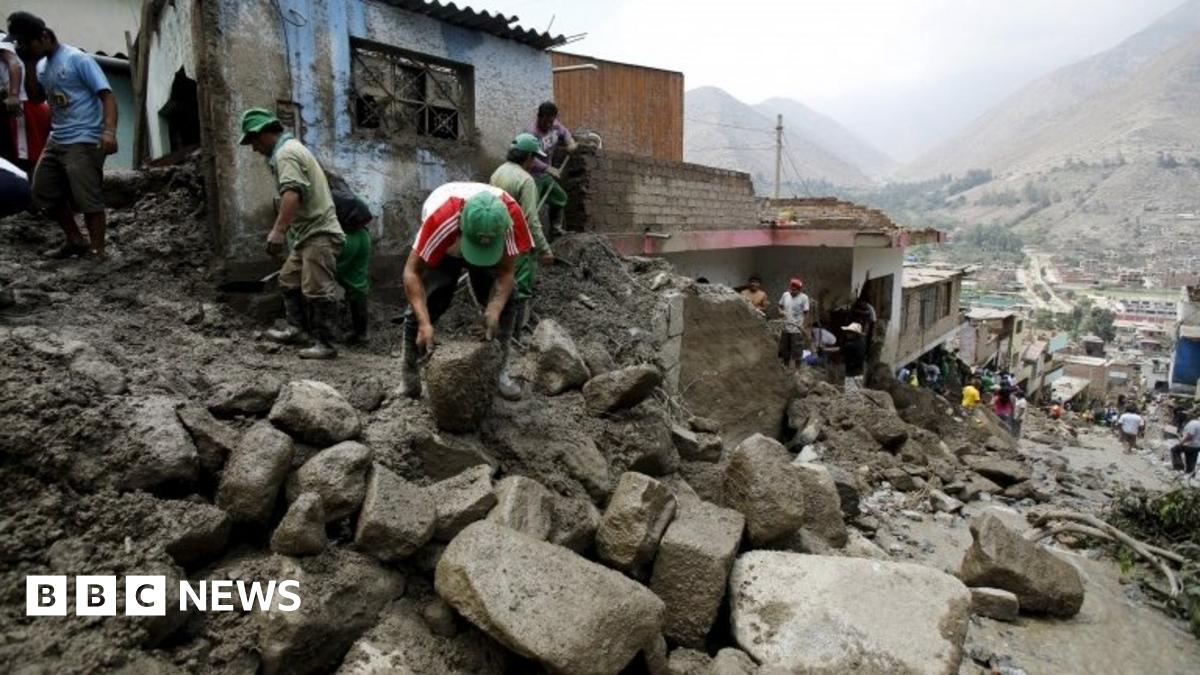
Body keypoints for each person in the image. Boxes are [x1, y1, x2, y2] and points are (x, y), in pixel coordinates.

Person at [400, 182, 533, 401]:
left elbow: (507, 272)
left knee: (509, 301)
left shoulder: (510, 219)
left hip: (482, 241)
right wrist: (425, 323)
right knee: (429, 301)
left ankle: (499, 372)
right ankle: (409, 379)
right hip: (448, 247)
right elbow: (411, 273)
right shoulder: (442, 219)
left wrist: (494, 309)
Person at [7, 12, 118, 259]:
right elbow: (36, 98)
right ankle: (75, 240)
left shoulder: (78, 59)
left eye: (27, 42)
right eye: (20, 45)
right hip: (57, 138)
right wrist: (28, 64)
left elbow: (107, 96)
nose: (24, 48)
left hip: (85, 138)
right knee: (42, 191)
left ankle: (98, 252)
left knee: (87, 197)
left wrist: (109, 132)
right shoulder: (43, 65)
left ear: (44, 36)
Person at [240, 108, 345, 360]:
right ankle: (297, 330)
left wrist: (278, 230)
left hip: (319, 232)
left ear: (264, 133)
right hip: (307, 234)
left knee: (317, 289)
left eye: (253, 141)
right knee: (288, 278)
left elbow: (292, 193)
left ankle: (326, 344)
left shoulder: (286, 154)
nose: (254, 148)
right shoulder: (289, 150)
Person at [490, 132, 554, 337]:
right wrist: (544, 249)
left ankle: (496, 327)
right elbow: (531, 220)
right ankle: (514, 336)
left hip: (497, 240)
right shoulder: (526, 181)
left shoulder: (498, 172)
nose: (534, 161)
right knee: (520, 289)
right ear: (527, 157)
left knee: (500, 283)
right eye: (534, 157)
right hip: (518, 243)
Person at [324, 168, 373, 344]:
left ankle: (323, 337)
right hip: (362, 236)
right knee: (357, 285)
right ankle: (361, 334)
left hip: (341, 238)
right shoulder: (339, 183)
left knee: (319, 282)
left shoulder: (316, 187)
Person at [0, 31, 48, 170]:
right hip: (13, 104)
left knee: (23, 157)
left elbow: (14, 63)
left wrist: (14, 95)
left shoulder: (1, 40)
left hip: (20, 104)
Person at [528, 101, 576, 238]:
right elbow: (529, 159)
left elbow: (564, 132)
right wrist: (548, 168)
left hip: (545, 175)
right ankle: (530, 237)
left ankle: (556, 229)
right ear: (539, 117)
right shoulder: (532, 133)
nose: (550, 125)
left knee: (560, 198)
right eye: (547, 122)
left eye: (552, 121)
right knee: (531, 208)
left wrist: (570, 142)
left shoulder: (555, 125)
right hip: (531, 177)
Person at [777, 277, 810, 368]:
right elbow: (779, 305)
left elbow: (806, 313)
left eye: (795, 290)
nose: (792, 291)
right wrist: (780, 311)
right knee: (785, 351)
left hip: (797, 329)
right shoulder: (785, 295)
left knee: (797, 352)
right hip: (786, 327)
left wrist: (804, 326)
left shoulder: (804, 298)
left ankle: (797, 371)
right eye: (791, 289)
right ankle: (786, 369)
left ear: (800, 290)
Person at [841, 322, 867, 392]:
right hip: (859, 373)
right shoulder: (862, 343)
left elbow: (839, 350)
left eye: (850, 333)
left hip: (852, 375)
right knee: (858, 394)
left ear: (855, 334)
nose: (847, 334)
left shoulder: (851, 345)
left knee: (850, 395)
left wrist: (825, 350)